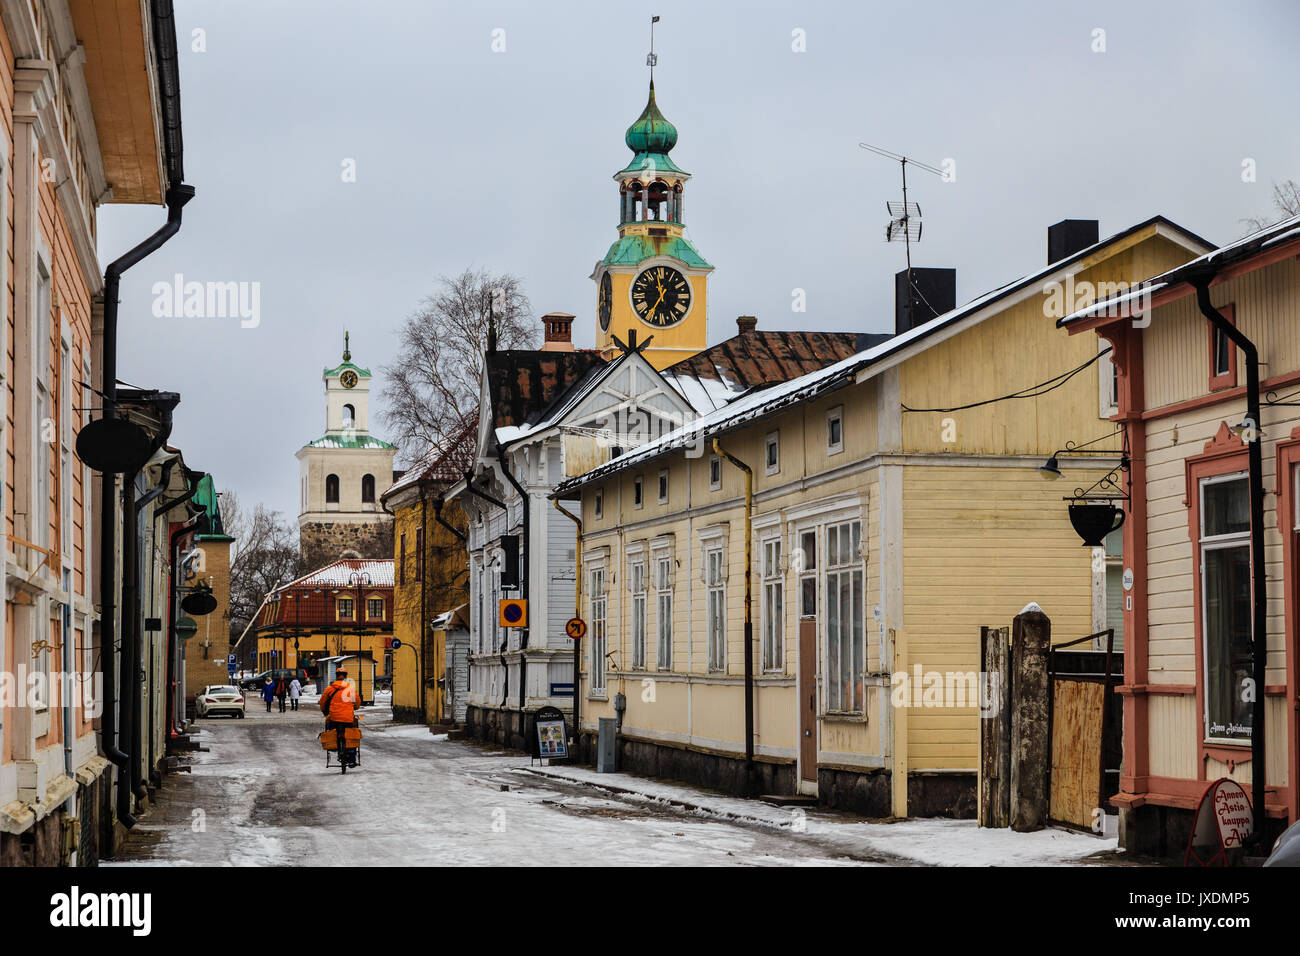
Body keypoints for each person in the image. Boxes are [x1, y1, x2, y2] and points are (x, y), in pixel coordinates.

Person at [320, 669, 360, 767]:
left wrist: (324, 711)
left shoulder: (330, 689)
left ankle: (334, 746)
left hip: (334, 717)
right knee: (351, 734)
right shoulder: (350, 688)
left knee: (332, 730)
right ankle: (351, 758)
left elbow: (322, 702)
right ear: (345, 676)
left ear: (336, 676)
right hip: (348, 718)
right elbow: (357, 703)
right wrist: (354, 707)